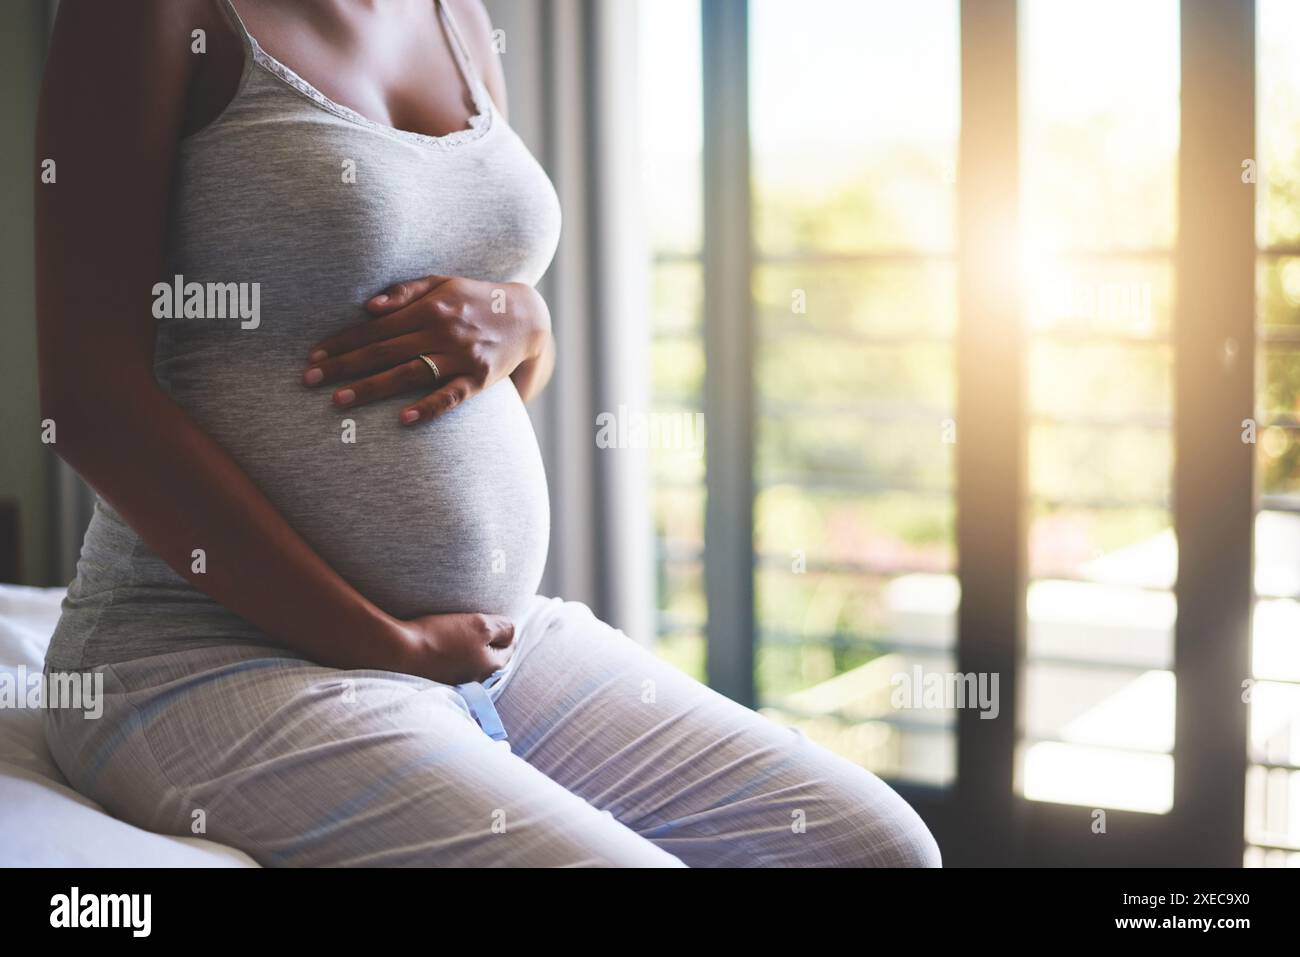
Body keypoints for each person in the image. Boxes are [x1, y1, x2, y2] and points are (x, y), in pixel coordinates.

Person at [35, 0, 941, 867]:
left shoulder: (457, 16)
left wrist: (527, 321)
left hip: (485, 646)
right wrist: (382, 643)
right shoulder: (150, 11)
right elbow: (90, 402)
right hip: (205, 654)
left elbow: (483, 358)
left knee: (872, 849)